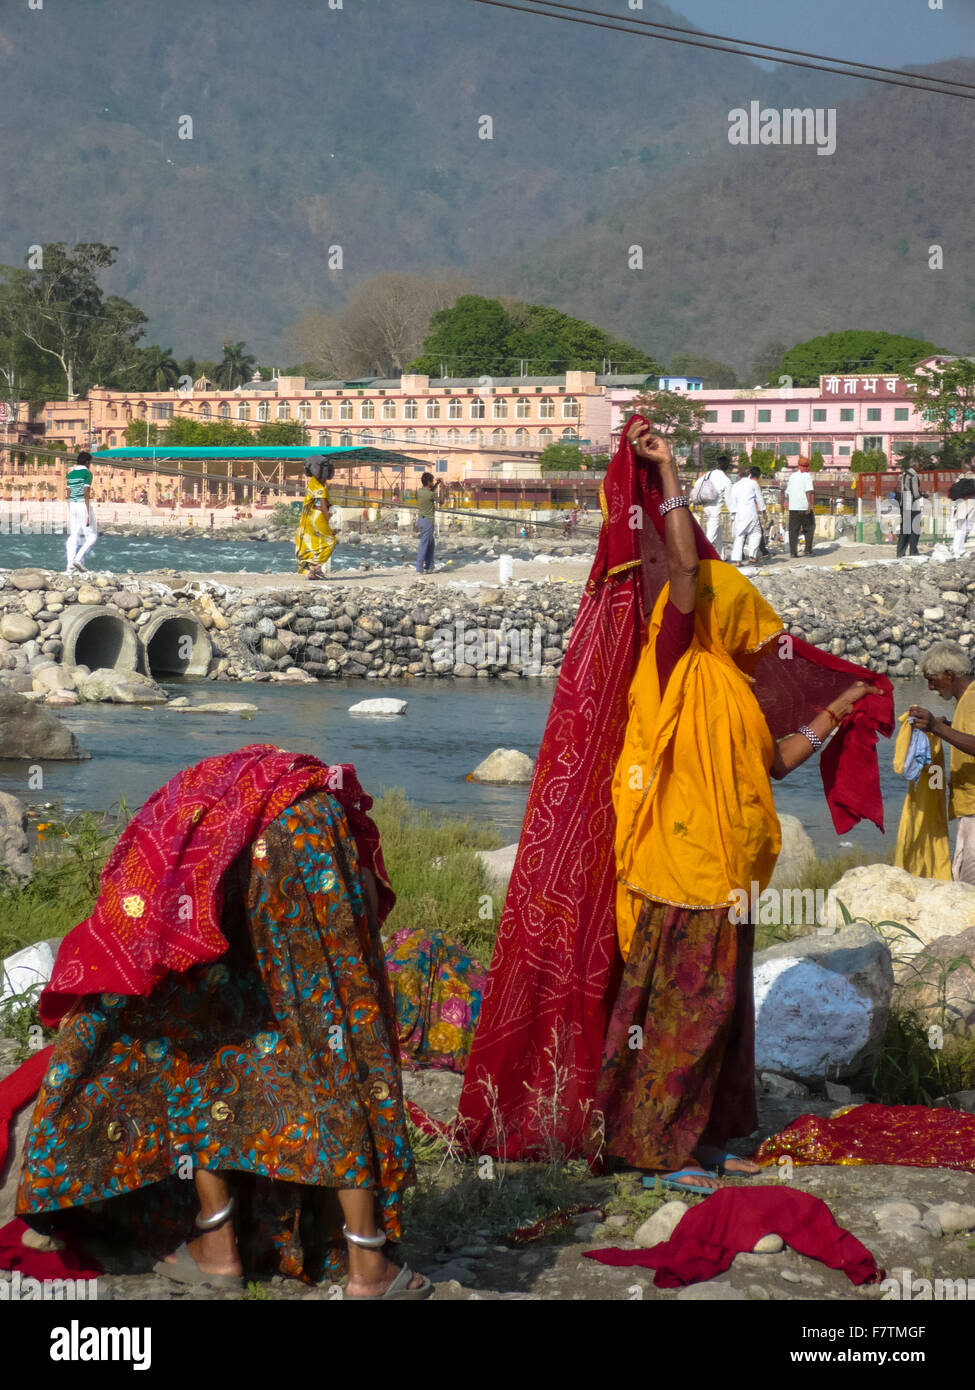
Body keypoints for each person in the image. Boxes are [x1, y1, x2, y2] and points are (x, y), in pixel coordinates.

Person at [458, 414, 894, 1164]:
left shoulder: (729, 688)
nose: (757, 637)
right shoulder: (673, 665)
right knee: (676, 1014)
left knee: (707, 1014)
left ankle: (681, 1135)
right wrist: (669, 477)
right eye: (743, 618)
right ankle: (653, 1149)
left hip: (728, 879)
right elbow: (687, 574)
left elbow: (776, 765)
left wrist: (837, 709)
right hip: (677, 877)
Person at [15, 745, 430, 1299]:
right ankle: (366, 1264)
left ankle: (218, 1247)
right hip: (305, 839)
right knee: (334, 1041)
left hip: (210, 858)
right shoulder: (330, 805)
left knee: (194, 1040)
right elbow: (366, 917)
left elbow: (128, 931)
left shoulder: (179, 814)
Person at [908, 642, 975, 885]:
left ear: (949, 674)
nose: (931, 687)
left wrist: (936, 728)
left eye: (933, 680)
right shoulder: (965, 700)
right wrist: (946, 728)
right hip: (968, 810)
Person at [295, 456, 337, 581]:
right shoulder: (319, 486)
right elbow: (322, 504)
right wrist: (330, 520)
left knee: (315, 543)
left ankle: (312, 570)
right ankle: (315, 567)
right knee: (331, 540)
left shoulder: (314, 482)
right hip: (317, 517)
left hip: (310, 517)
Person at [690, 453, 733, 554]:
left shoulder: (709, 474)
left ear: (718, 464)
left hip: (705, 505)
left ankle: (721, 555)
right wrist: (733, 514)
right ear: (727, 466)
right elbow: (729, 500)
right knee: (711, 534)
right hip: (715, 508)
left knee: (717, 530)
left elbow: (697, 484)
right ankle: (703, 553)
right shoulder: (726, 480)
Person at [65, 449, 97, 574]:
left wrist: (71, 508)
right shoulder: (87, 473)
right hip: (82, 505)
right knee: (92, 536)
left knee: (74, 535)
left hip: (72, 505)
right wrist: (88, 513)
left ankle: (69, 566)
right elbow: (86, 493)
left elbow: (68, 493)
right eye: (90, 463)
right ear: (87, 462)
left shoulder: (70, 474)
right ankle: (78, 559)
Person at [729, 459, 765, 565]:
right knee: (756, 533)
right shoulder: (753, 484)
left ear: (739, 475)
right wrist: (764, 512)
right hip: (751, 512)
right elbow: (759, 499)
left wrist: (733, 515)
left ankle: (737, 560)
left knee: (739, 536)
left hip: (739, 514)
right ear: (749, 474)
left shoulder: (735, 485)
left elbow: (732, 501)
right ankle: (752, 556)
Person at [781, 458, 815, 558]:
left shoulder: (793, 476)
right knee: (809, 528)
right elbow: (808, 491)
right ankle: (808, 550)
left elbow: (788, 491)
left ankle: (793, 553)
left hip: (793, 507)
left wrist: (786, 502)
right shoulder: (807, 476)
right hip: (804, 507)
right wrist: (809, 505)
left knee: (793, 530)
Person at [416, 471, 442, 575]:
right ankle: (419, 568)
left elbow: (429, 490)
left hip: (421, 520)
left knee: (431, 544)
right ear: (428, 481)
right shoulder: (431, 494)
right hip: (428, 521)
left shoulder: (419, 491)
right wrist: (442, 488)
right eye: (432, 481)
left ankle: (429, 566)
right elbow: (442, 501)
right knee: (424, 544)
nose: (432, 483)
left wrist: (436, 484)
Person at [896, 457, 923, 558]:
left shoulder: (904, 474)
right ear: (916, 465)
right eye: (920, 466)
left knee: (905, 529)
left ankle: (900, 552)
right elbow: (915, 493)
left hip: (904, 502)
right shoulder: (914, 475)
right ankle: (913, 551)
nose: (921, 468)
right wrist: (923, 495)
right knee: (915, 528)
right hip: (912, 503)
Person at [951, 462, 975, 559]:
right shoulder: (974, 477)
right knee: (967, 527)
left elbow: (954, 492)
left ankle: (956, 548)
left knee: (959, 527)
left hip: (961, 503)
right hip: (972, 503)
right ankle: (960, 548)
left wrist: (955, 506)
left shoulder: (959, 478)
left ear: (963, 469)